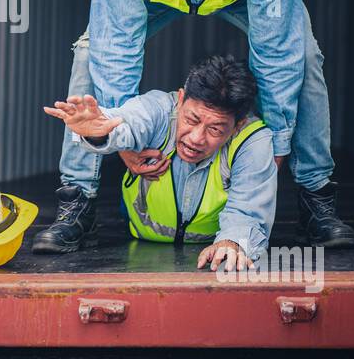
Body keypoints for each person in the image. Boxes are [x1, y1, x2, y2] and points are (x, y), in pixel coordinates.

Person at [33, 0, 354, 254]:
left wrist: (274, 147)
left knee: (304, 56)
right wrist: (119, 135)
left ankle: (316, 199)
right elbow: (117, 41)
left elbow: (277, 52)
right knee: (90, 52)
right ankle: (77, 200)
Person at [42, 55, 275, 271]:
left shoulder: (252, 140)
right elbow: (128, 121)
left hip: (207, 253)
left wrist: (232, 242)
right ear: (181, 98)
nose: (196, 138)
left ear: (237, 125)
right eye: (192, 119)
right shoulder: (158, 109)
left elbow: (248, 210)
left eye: (215, 129)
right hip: (141, 242)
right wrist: (98, 133)